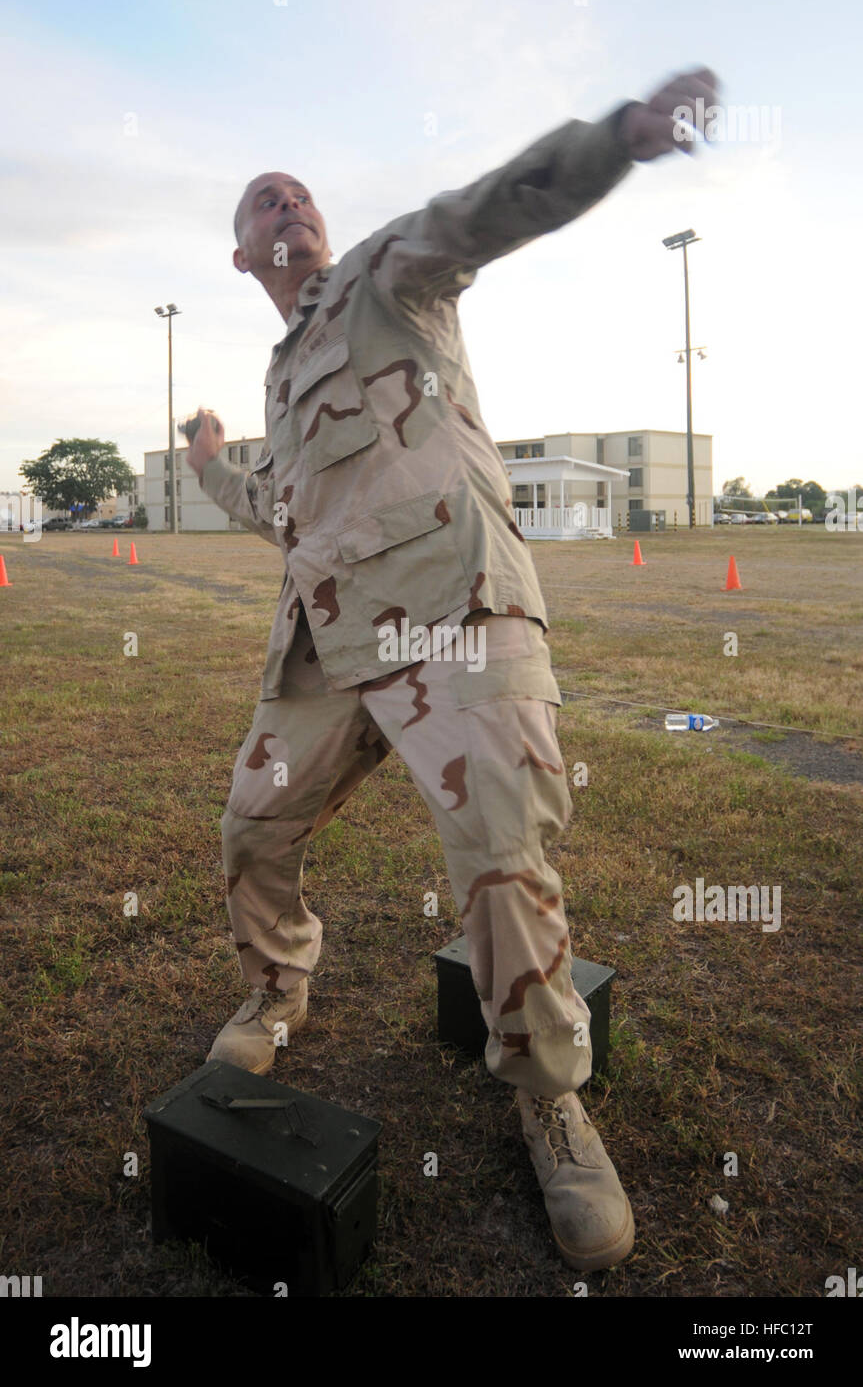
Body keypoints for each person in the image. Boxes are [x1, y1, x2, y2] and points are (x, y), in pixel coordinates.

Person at [185, 66, 719, 1274]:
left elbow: (487, 207)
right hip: (327, 645)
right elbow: (277, 505)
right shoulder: (282, 373)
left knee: (499, 851)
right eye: (262, 203)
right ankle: (278, 991)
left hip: (453, 613)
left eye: (296, 193)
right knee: (250, 831)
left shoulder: (385, 273)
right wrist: (215, 459)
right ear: (241, 256)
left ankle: (547, 1097)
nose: (286, 205)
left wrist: (616, 141)